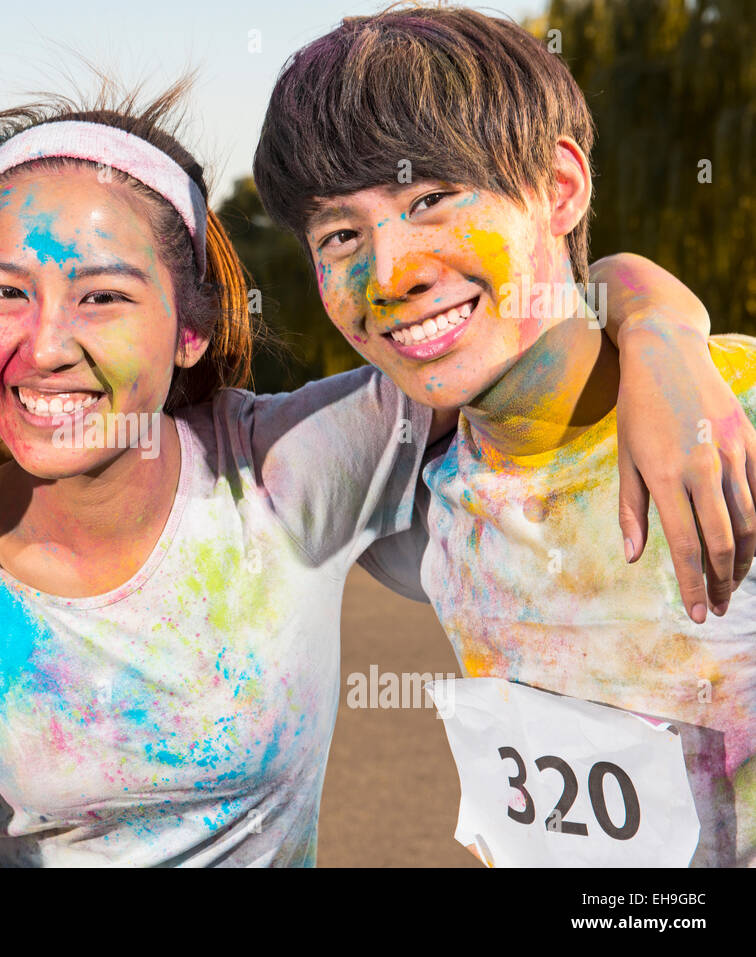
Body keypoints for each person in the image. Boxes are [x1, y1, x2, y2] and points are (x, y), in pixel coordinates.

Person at [0, 76, 749, 865]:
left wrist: (661, 332)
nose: (48, 346)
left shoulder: (291, 465)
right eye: (2, 293)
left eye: (103, 296)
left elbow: (535, 310)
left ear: (192, 329)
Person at [252, 4, 756, 865]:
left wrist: (658, 325)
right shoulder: (417, 495)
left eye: (432, 198)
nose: (392, 273)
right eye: (341, 234)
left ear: (559, 188)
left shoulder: (732, 419)